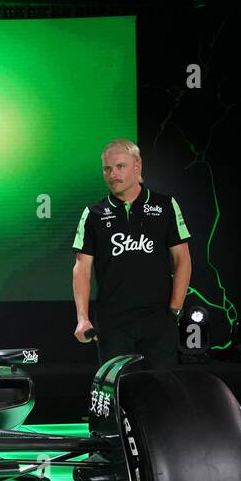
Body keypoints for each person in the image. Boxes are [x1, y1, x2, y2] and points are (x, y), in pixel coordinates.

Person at [72, 138, 191, 370]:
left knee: (160, 387)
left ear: (137, 166)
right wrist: (82, 318)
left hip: (158, 319)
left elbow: (182, 259)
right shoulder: (93, 213)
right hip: (113, 322)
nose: (113, 174)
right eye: (107, 169)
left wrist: (175, 309)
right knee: (119, 386)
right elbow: (81, 268)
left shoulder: (165, 205)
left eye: (120, 166)